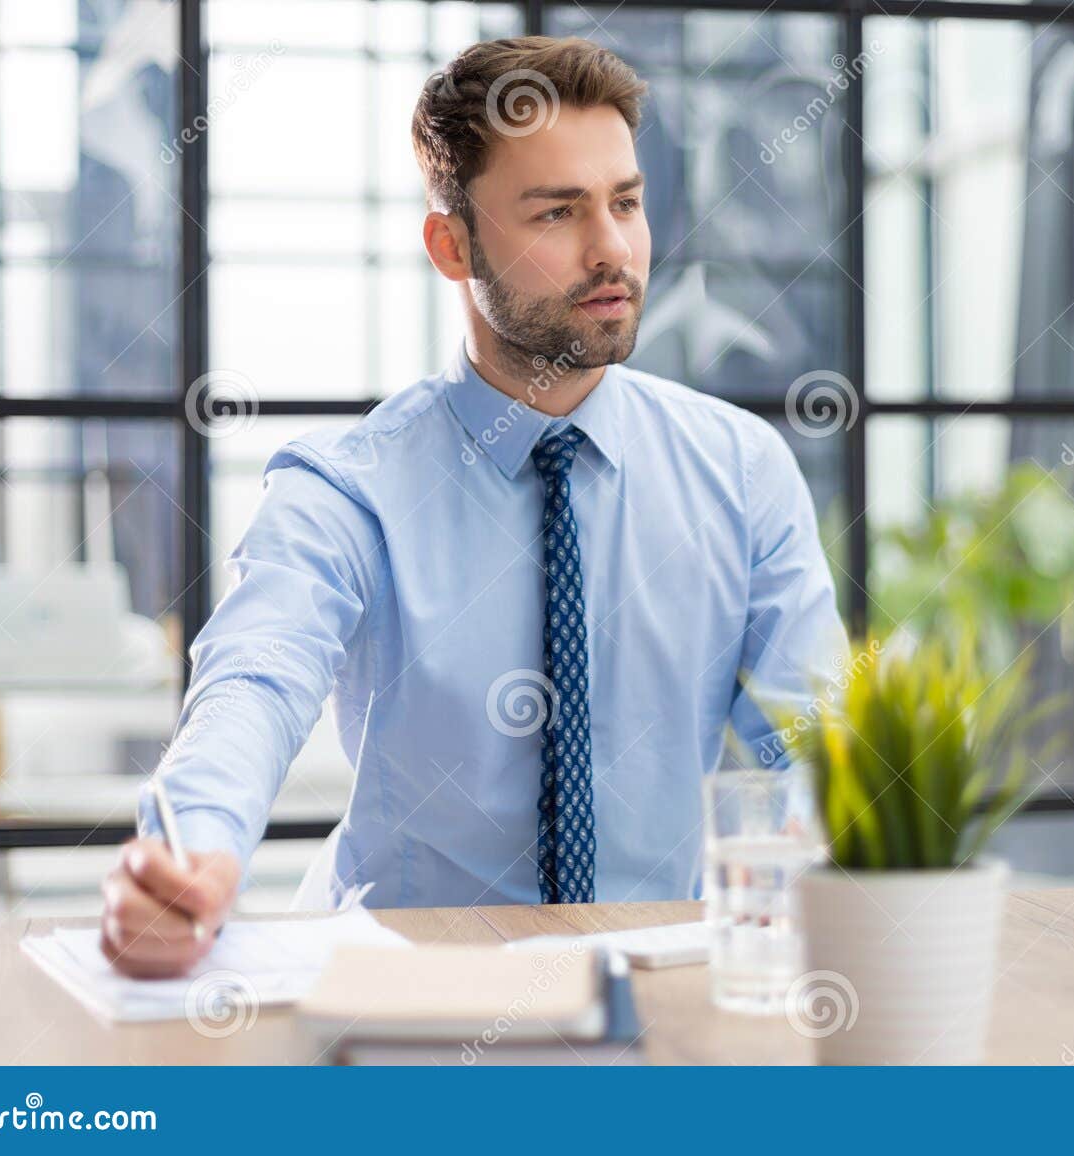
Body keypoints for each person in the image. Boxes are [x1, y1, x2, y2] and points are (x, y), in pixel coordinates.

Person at [100, 35, 846, 978]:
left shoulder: (741, 471)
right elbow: (255, 681)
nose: (612, 249)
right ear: (452, 246)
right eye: (558, 212)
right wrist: (192, 850)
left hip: (659, 986)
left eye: (625, 202)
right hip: (407, 993)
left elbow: (812, 740)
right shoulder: (348, 486)